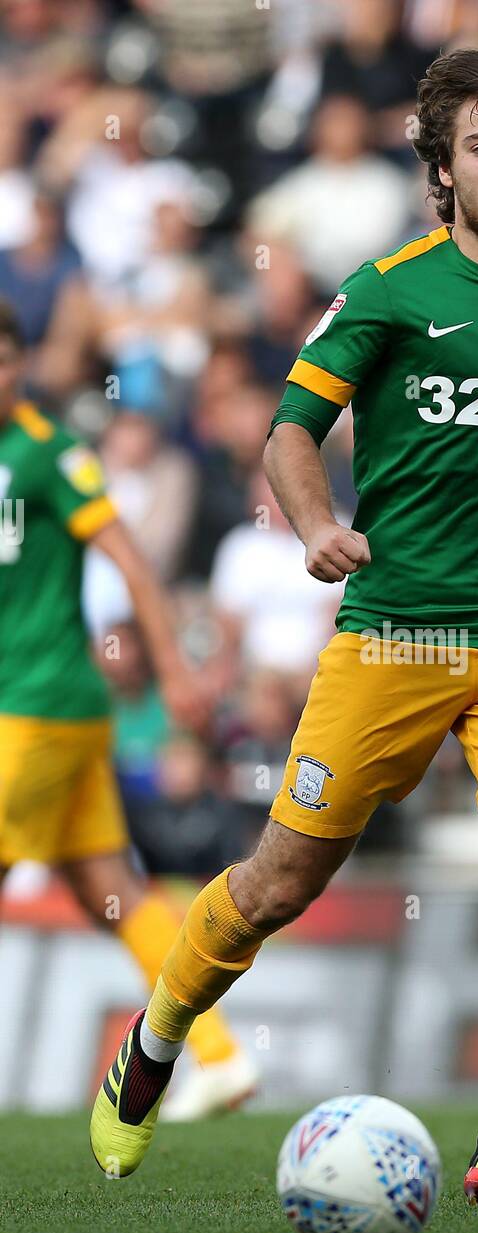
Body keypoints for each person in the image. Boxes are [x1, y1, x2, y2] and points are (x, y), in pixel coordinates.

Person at [92, 41, 478, 1206]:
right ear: (442, 169)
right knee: (277, 885)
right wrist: (312, 525)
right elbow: (290, 429)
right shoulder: (390, 289)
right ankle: (153, 1042)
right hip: (394, 635)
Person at [0, 300, 257, 1122]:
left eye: (8, 359)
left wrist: (176, 670)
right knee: (113, 892)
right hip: (51, 715)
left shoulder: (44, 454)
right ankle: (218, 1057)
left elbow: (134, 565)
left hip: (36, 706)